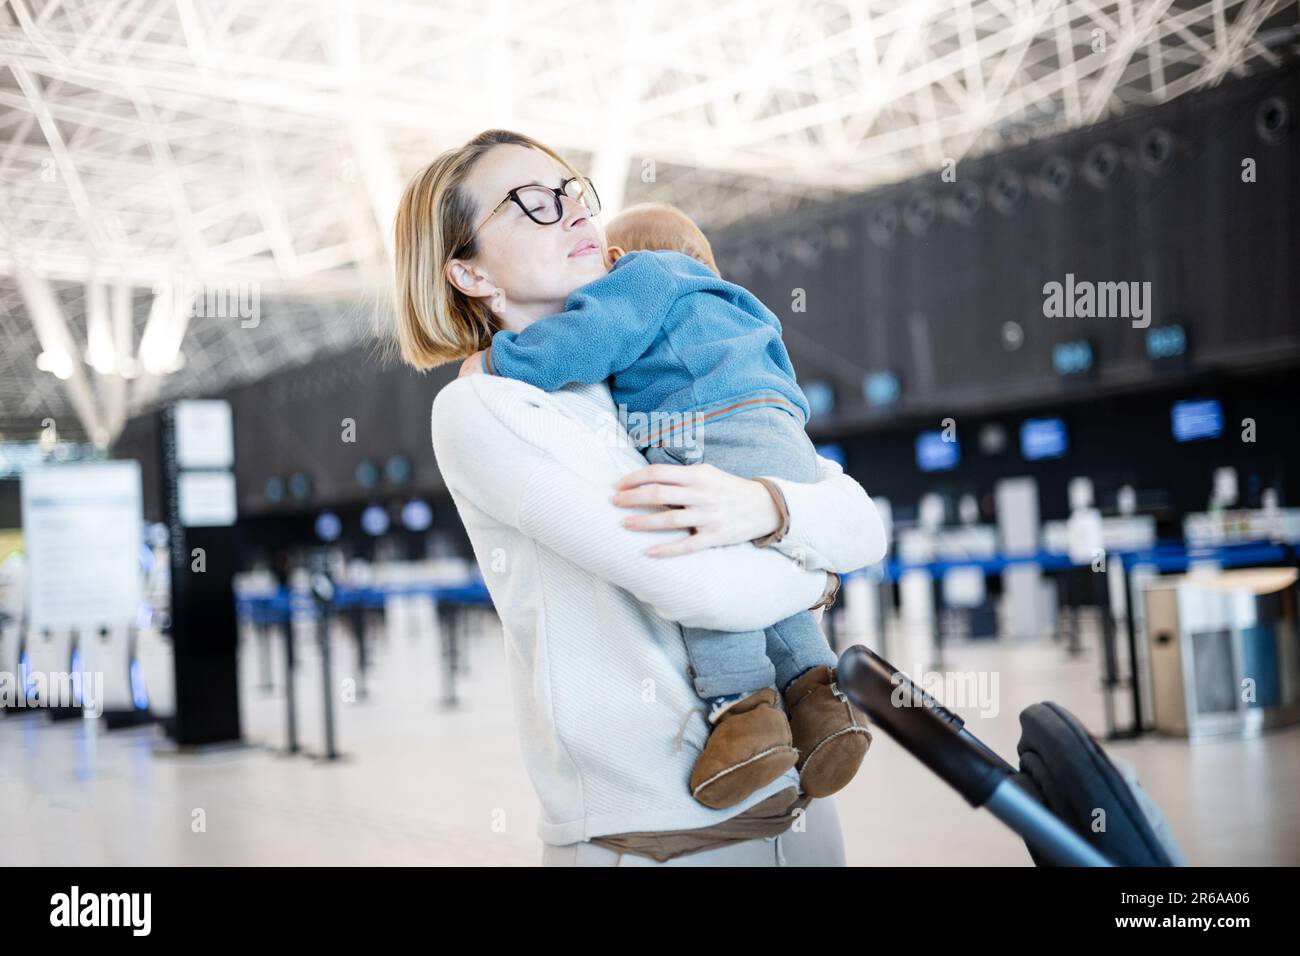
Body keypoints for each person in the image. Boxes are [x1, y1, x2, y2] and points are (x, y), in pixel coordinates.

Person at [392, 129, 889, 865]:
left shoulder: (647, 376)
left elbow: (864, 525)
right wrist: (814, 561)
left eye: (571, 193)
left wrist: (769, 509)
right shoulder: (487, 407)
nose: (568, 213)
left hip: (799, 817)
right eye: (529, 204)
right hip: (659, 841)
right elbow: (705, 585)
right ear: (466, 271)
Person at [460, 201, 872, 811]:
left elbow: (582, 342)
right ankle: (821, 701)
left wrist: (497, 362)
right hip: (785, 435)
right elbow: (847, 524)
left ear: (619, 262)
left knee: (694, 535)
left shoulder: (640, 278)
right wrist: (809, 569)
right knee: (752, 552)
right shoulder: (736, 302)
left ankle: (745, 712)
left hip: (707, 430)